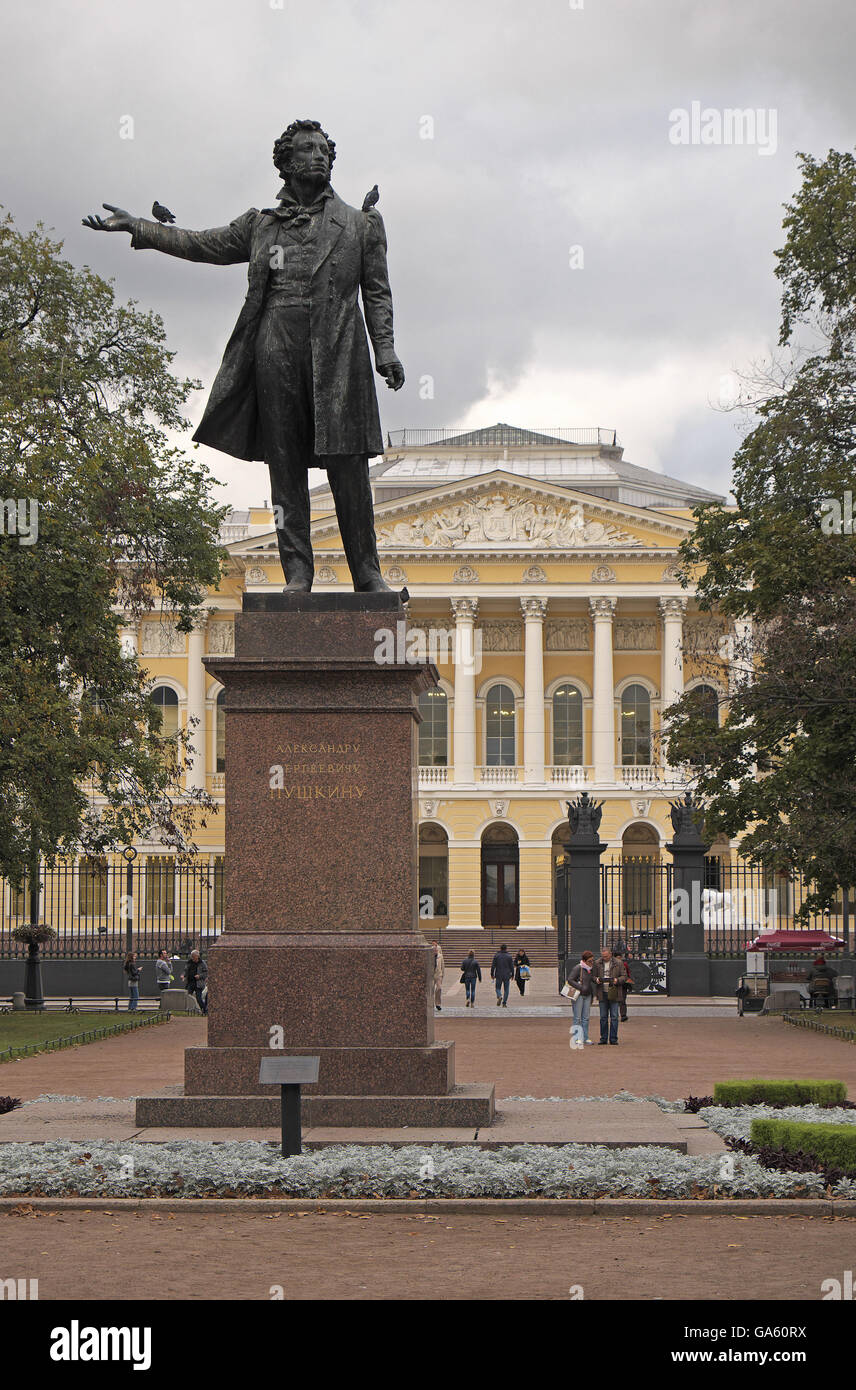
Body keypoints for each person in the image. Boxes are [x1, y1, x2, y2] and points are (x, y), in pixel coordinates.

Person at [82, 119, 404, 594]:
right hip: (275, 349)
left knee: (349, 464)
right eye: (307, 149)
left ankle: (368, 574)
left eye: (324, 150)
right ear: (286, 163)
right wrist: (141, 227)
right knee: (285, 463)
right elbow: (200, 244)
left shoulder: (360, 224)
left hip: (339, 351)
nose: (319, 156)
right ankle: (298, 573)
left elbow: (377, 292)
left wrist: (386, 349)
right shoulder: (261, 226)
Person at [592, 947, 628, 1045]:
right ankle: (603, 1038)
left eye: (606, 956)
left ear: (610, 954)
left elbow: (624, 976)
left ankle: (613, 1038)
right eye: (603, 956)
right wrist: (596, 980)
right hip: (602, 992)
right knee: (603, 1017)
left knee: (614, 1016)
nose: (605, 958)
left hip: (614, 991)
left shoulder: (618, 963)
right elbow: (593, 976)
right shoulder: (597, 963)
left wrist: (617, 980)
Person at [566, 950, 596, 1045]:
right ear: (584, 960)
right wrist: (581, 987)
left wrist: (596, 980)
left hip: (587, 995)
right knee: (577, 1017)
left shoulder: (590, 969)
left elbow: (591, 979)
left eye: (592, 961)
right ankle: (576, 1037)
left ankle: (585, 1037)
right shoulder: (578, 968)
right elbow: (570, 980)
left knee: (586, 1017)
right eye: (590, 961)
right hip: (578, 995)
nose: (591, 963)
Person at [182, 950, 209, 1016]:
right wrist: (183, 975)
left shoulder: (202, 963)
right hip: (190, 982)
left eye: (194, 957)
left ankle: (204, 1010)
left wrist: (199, 976)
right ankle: (189, 1009)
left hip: (198, 983)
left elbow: (206, 973)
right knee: (187, 995)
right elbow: (185, 970)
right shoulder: (189, 962)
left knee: (199, 998)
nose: (193, 958)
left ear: (197, 956)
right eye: (192, 957)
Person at [491, 943, 515, 1008]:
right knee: (506, 989)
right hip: (507, 975)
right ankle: (504, 1003)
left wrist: (492, 974)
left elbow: (493, 966)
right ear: (506, 949)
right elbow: (512, 966)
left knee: (497, 988)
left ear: (500, 948)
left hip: (498, 974)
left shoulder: (496, 956)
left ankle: (499, 996)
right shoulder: (509, 956)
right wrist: (513, 974)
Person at [432, 940, 445, 1012]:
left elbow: (443, 966)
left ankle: (438, 1004)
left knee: (439, 988)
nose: (435, 950)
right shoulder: (429, 956)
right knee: (430, 990)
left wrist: (442, 975)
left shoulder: (440, 956)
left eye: (436, 949)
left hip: (438, 975)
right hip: (431, 975)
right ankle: (430, 1004)